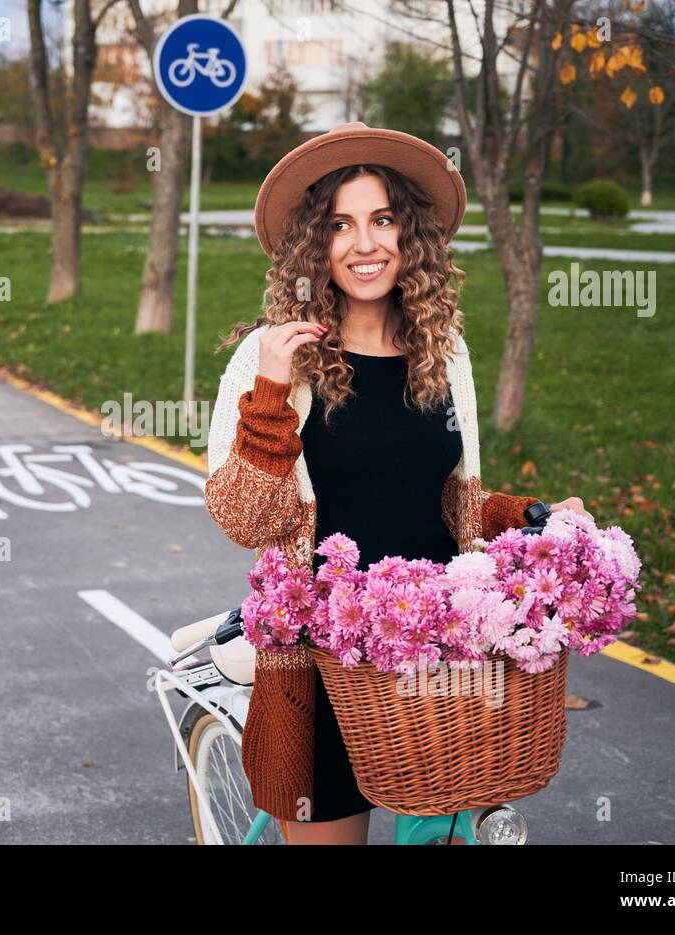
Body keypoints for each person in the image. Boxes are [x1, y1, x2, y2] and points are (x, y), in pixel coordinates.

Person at [204, 123, 592, 845]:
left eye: (382, 219)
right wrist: (269, 388)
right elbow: (245, 520)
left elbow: (450, 502)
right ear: (313, 243)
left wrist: (534, 514)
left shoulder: (444, 352)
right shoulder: (274, 356)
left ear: (409, 234)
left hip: (437, 659)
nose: (364, 243)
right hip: (322, 667)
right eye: (340, 224)